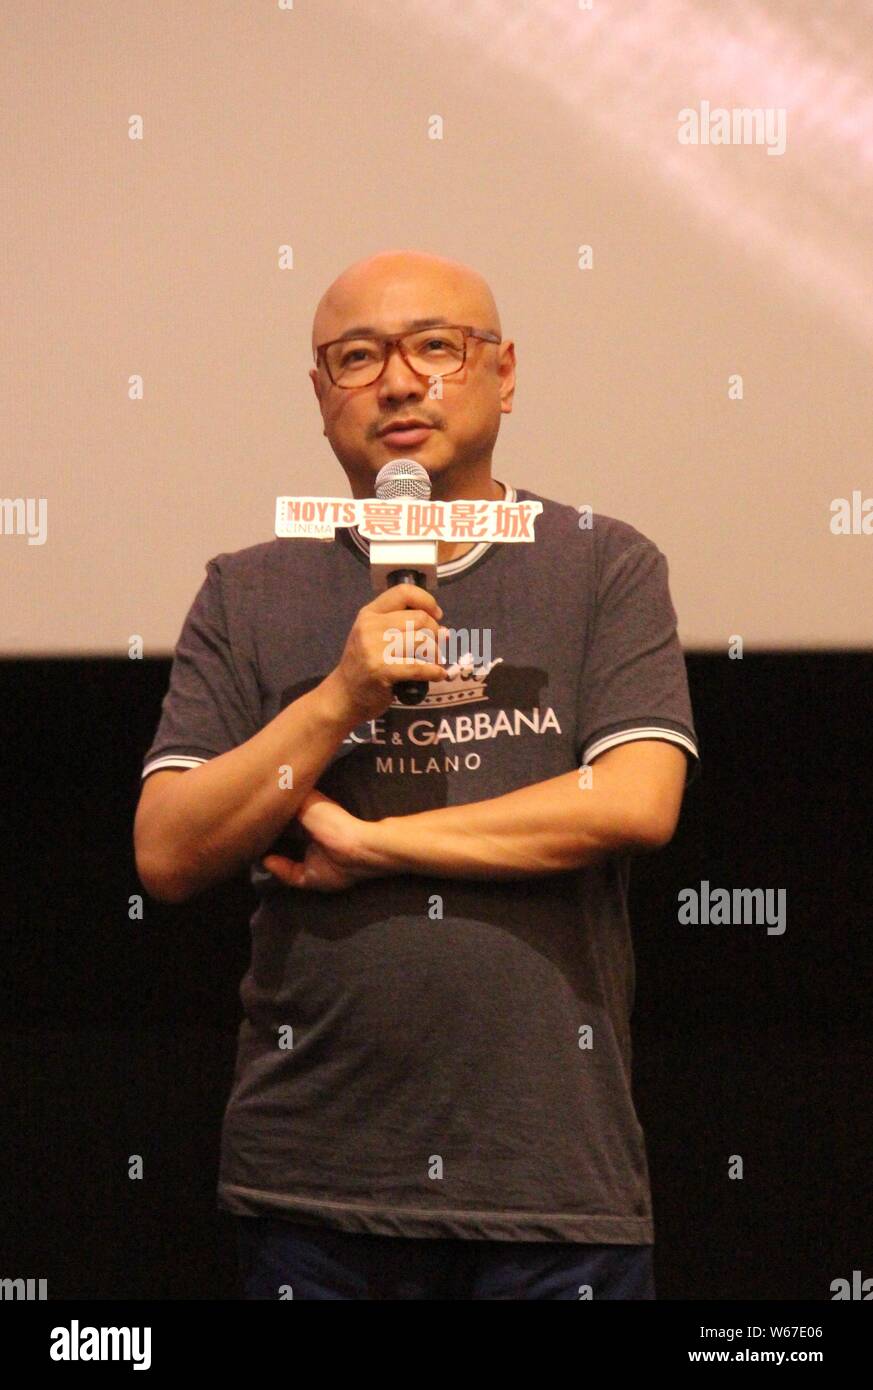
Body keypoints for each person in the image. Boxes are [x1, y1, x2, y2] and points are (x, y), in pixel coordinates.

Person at [134, 249, 700, 1300]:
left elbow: (635, 800)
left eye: (436, 346)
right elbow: (167, 849)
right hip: (314, 1192)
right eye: (358, 357)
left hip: (551, 1188)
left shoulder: (602, 564)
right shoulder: (248, 590)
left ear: (504, 372)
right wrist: (339, 696)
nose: (398, 382)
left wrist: (377, 844)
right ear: (321, 396)